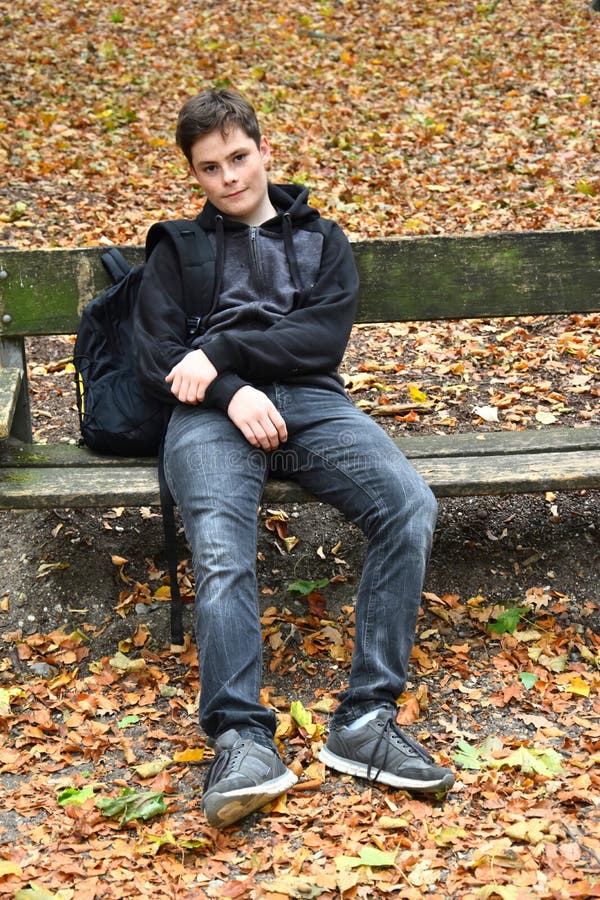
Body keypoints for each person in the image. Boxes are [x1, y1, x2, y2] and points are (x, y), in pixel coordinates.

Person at [133, 88, 454, 829]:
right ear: (194, 173)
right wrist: (231, 391)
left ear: (264, 151)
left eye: (239, 158)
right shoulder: (177, 248)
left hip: (310, 403)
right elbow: (157, 358)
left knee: (408, 504)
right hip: (209, 414)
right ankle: (241, 739)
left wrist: (222, 350)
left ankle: (365, 721)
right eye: (209, 168)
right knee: (221, 543)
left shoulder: (321, 239)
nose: (229, 178)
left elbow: (320, 340)